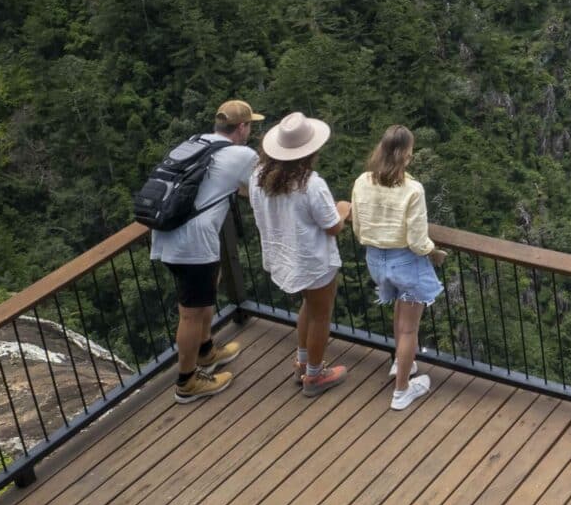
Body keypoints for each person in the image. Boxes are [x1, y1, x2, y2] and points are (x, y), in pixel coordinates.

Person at [150, 100, 262, 405]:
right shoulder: (242, 155)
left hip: (167, 234)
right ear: (241, 128)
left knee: (207, 291)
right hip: (193, 243)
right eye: (250, 125)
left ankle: (206, 351)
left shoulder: (196, 143)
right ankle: (187, 382)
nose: (250, 130)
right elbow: (259, 191)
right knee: (191, 311)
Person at [249, 111, 350, 396]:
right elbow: (332, 227)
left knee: (308, 306)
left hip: (286, 256)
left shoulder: (259, 176)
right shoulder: (310, 184)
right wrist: (343, 210)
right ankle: (315, 377)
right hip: (312, 260)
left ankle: (303, 364)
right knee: (321, 314)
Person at [350, 125, 445, 411]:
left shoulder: (362, 181)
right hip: (405, 261)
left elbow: (357, 226)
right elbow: (417, 240)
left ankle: (400, 364)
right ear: (405, 153)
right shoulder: (413, 189)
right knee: (409, 329)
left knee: (400, 316)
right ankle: (402, 390)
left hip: (375, 260)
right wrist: (434, 252)